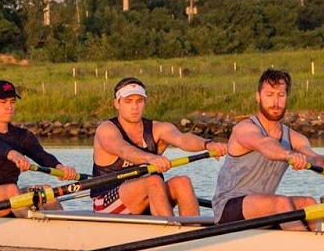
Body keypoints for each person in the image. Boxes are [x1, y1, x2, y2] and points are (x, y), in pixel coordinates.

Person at [211, 68, 324, 229]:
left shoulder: (295, 137)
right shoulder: (245, 129)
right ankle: (306, 248)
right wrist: (288, 154)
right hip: (228, 207)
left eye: (280, 95)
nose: (275, 102)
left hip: (262, 206)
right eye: (269, 95)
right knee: (281, 203)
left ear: (286, 97)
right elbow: (265, 145)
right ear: (258, 97)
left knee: (309, 203)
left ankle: (323, 245)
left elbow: (314, 157)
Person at [91, 77, 226, 217]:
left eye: (139, 101)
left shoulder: (157, 128)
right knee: (154, 180)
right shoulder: (106, 129)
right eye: (128, 101)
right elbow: (123, 150)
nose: (134, 107)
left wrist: (208, 144)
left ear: (145, 102)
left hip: (148, 197)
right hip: (106, 203)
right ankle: (167, 232)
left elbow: (182, 139)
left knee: (182, 182)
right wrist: (151, 158)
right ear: (117, 104)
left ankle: (193, 231)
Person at [0, 79, 80, 207]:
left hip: (12, 196)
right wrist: (13, 154)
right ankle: (28, 220)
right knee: (11, 189)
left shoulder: (23, 136)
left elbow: (42, 156)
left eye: (12, 102)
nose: (9, 107)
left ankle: (63, 226)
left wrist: (60, 168)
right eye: (3, 102)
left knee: (46, 191)